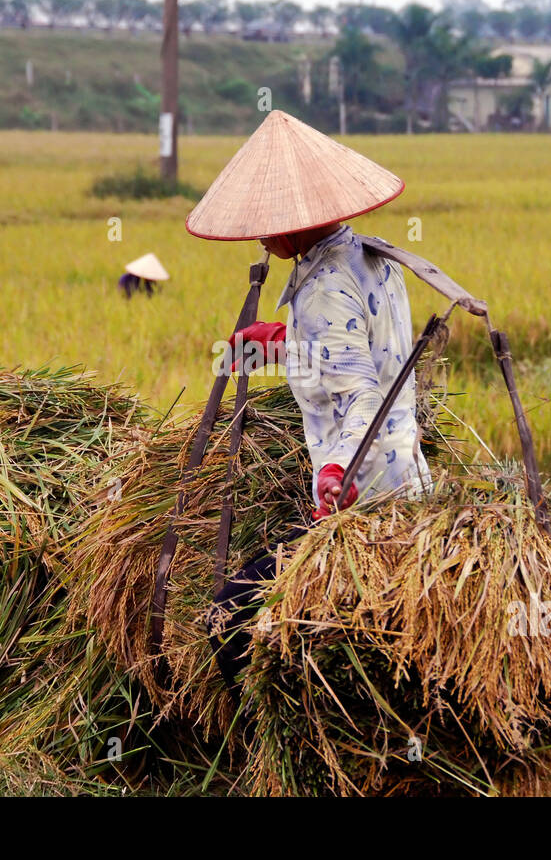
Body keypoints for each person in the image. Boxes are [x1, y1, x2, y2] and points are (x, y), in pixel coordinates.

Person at [184, 110, 433, 689]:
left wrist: (337, 473)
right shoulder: (369, 256)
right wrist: (282, 343)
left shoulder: (320, 288)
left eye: (269, 223)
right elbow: (361, 349)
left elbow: (361, 393)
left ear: (300, 221)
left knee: (229, 615)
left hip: (364, 498)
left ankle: (261, 744)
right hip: (408, 480)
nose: (261, 237)